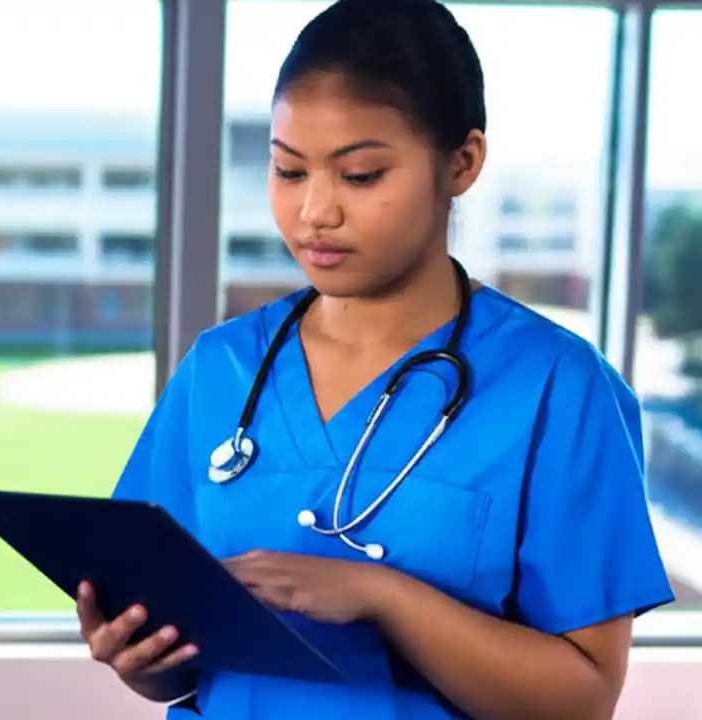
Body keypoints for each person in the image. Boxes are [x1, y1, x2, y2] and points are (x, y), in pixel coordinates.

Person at [75, 0, 676, 718]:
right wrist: (141, 659)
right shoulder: (219, 370)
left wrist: (381, 597)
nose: (315, 212)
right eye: (290, 172)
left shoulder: (560, 390)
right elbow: (181, 670)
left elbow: (581, 702)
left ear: (461, 162)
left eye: (359, 176)